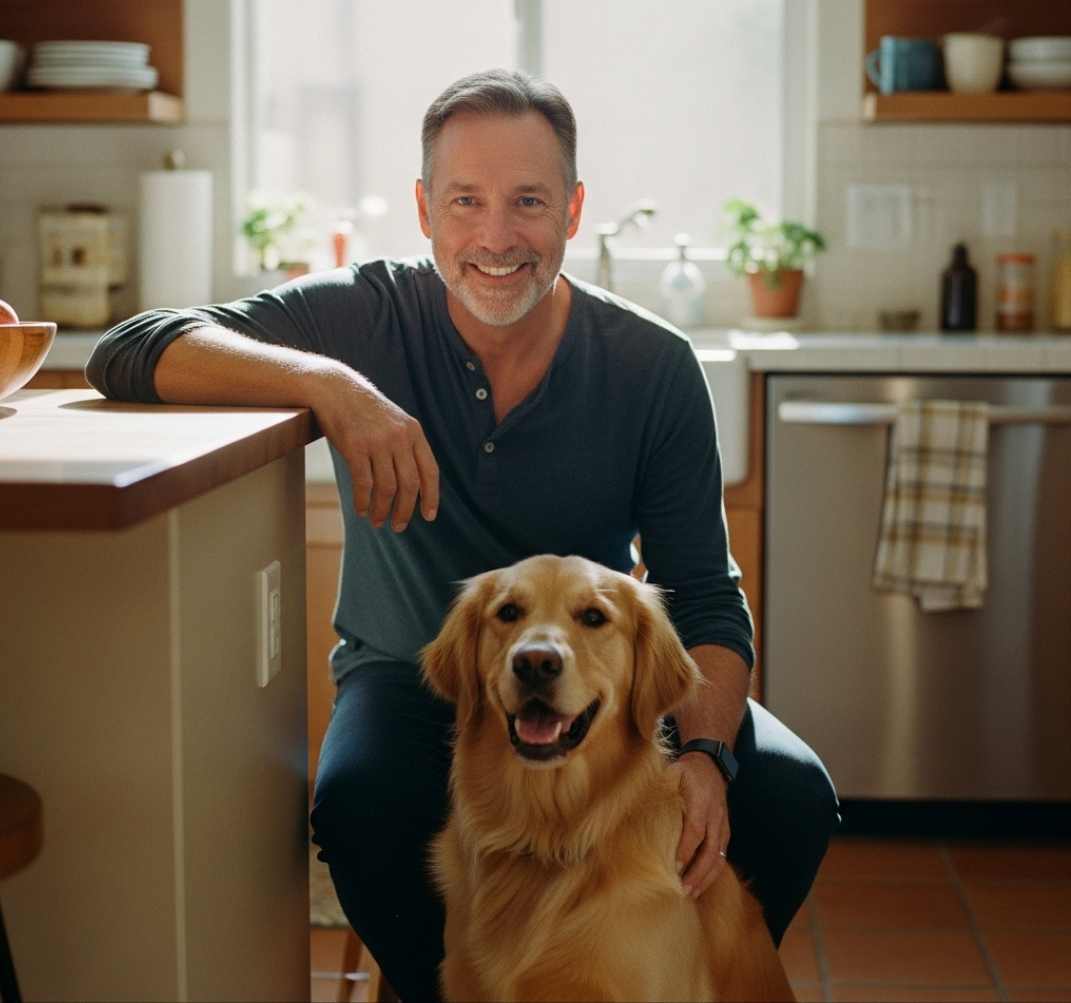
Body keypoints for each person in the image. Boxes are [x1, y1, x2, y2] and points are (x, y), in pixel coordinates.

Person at [88, 69, 837, 1003]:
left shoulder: (653, 365)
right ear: (423, 209)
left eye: (528, 202)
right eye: (465, 202)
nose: (495, 238)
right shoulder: (365, 317)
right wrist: (335, 389)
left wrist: (706, 759)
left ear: (572, 208)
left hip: (591, 682)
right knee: (361, 806)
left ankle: (655, 969)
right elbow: (128, 346)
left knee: (794, 796)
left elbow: (707, 598)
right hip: (413, 675)